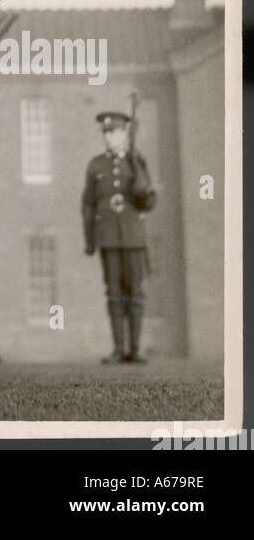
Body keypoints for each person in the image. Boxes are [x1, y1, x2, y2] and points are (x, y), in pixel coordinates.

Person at [81, 110, 157, 365]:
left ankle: (134, 349)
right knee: (113, 293)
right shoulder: (96, 165)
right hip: (109, 237)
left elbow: (148, 201)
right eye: (106, 133)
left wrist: (137, 170)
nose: (109, 137)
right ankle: (118, 348)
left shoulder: (137, 161)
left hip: (133, 236)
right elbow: (88, 204)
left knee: (135, 293)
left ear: (125, 134)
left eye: (114, 132)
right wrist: (90, 239)